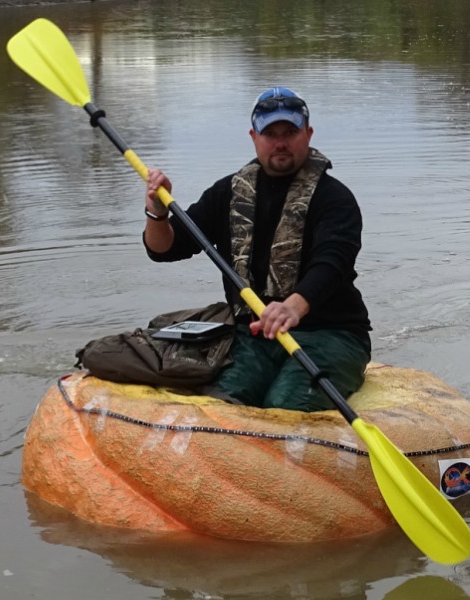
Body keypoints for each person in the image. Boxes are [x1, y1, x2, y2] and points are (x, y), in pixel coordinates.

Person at [142, 86, 371, 412]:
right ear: (254, 136)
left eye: (290, 132)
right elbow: (164, 248)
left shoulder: (335, 198)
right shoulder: (228, 193)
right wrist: (157, 211)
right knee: (225, 405)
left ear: (308, 134)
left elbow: (333, 261)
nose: (280, 142)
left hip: (332, 334)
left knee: (284, 405)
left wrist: (293, 306)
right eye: (270, 133)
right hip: (254, 336)